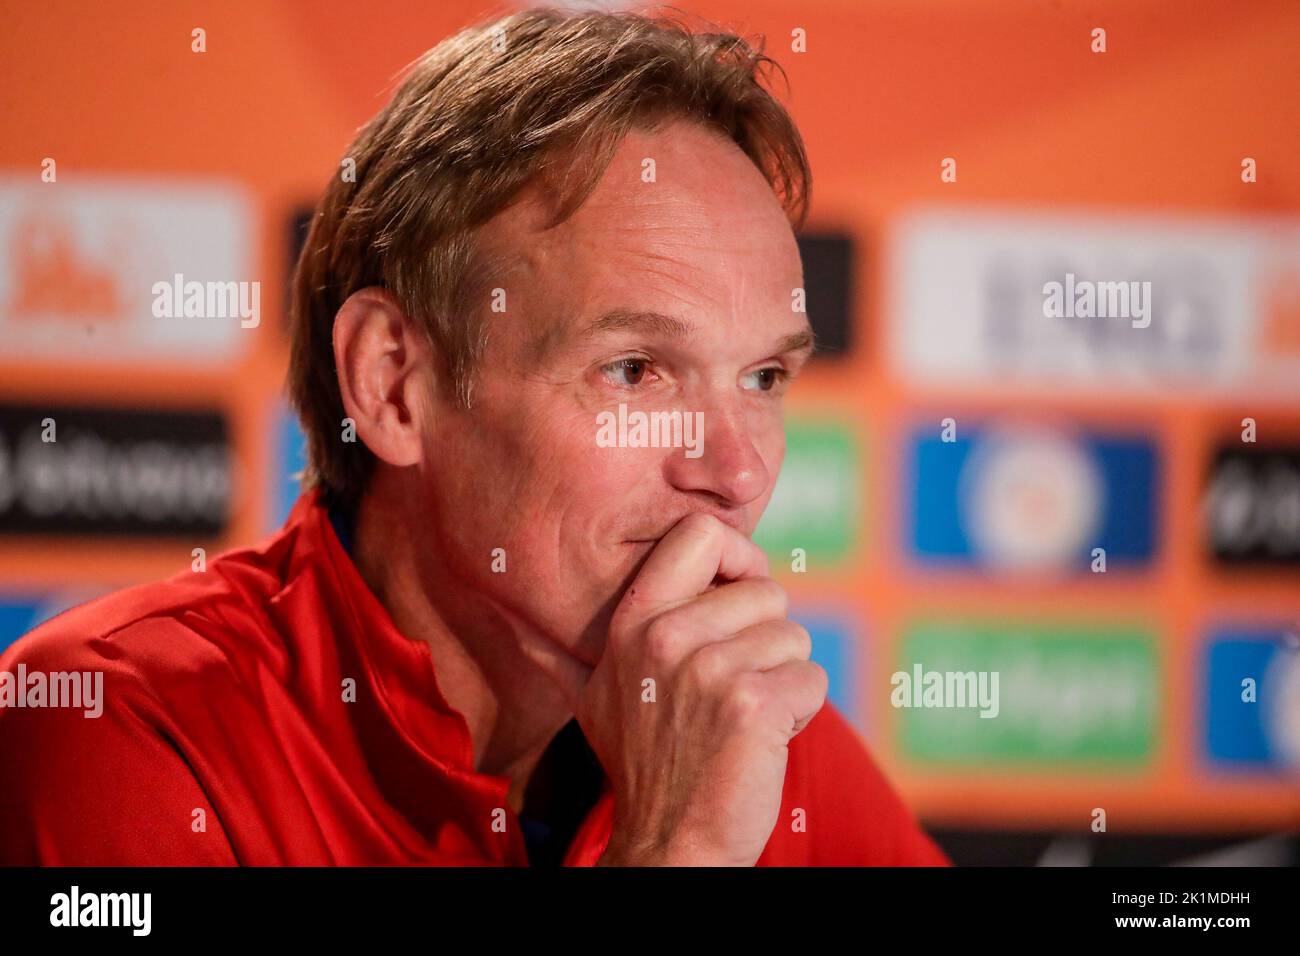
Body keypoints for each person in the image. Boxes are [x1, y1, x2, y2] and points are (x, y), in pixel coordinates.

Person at [0, 8, 949, 867]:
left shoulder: (744, 721)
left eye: (764, 379)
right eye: (634, 370)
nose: (737, 472)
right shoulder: (115, 723)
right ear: (394, 385)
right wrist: (680, 848)